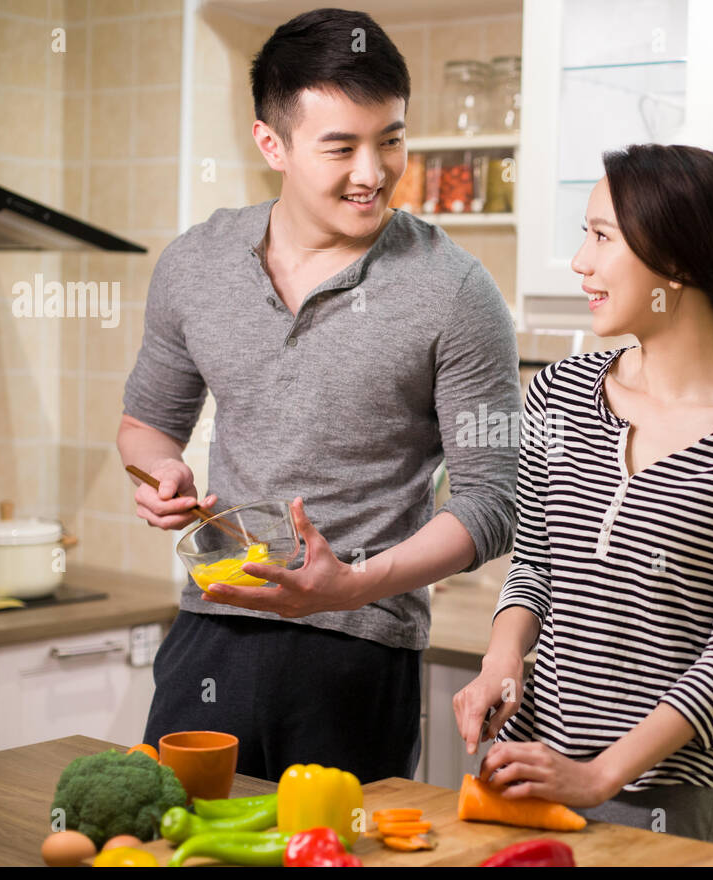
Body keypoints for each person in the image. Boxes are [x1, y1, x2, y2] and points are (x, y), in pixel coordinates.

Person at [119, 9, 520, 785]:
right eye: (341, 147)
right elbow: (144, 427)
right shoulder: (195, 265)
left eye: (391, 139)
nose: (372, 172)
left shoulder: (458, 292)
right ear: (272, 144)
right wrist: (160, 472)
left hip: (358, 655)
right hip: (210, 633)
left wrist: (354, 584)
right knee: (169, 842)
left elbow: (491, 504)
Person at [453, 144, 713, 845]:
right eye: (583, 235)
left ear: (679, 263)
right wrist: (501, 661)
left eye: (602, 237)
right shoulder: (560, 393)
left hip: (667, 799)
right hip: (531, 774)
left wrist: (600, 777)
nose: (580, 262)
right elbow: (535, 564)